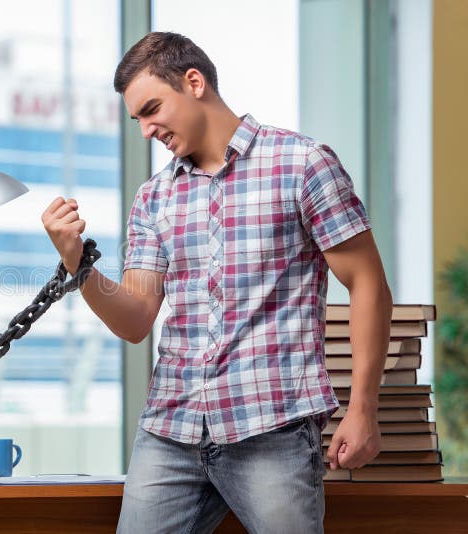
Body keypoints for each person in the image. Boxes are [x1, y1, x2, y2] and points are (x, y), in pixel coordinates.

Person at [41, 32, 393, 533]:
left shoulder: (301, 164)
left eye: (151, 109)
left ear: (194, 82)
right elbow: (136, 318)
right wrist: (78, 264)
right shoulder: (153, 198)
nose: (145, 130)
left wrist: (363, 409)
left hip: (271, 428)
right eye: (137, 119)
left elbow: (368, 284)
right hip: (170, 432)